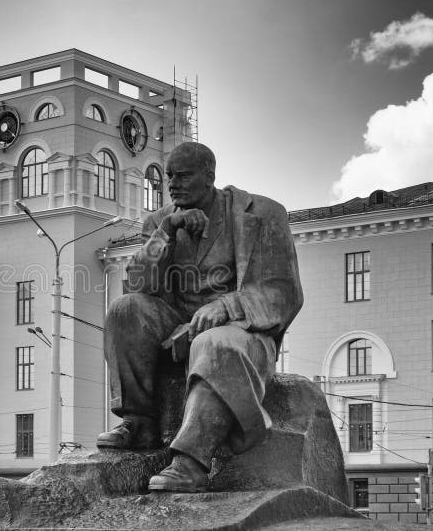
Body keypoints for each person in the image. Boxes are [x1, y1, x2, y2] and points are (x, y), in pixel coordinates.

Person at [97, 142, 303, 492]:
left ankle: (191, 462)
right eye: (169, 176)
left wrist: (225, 307)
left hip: (241, 331)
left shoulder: (263, 213)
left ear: (210, 176)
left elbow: (282, 292)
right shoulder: (160, 221)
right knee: (124, 310)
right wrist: (166, 233)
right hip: (176, 325)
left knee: (214, 344)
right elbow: (137, 285)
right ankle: (140, 422)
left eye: (183, 175)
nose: (173, 184)